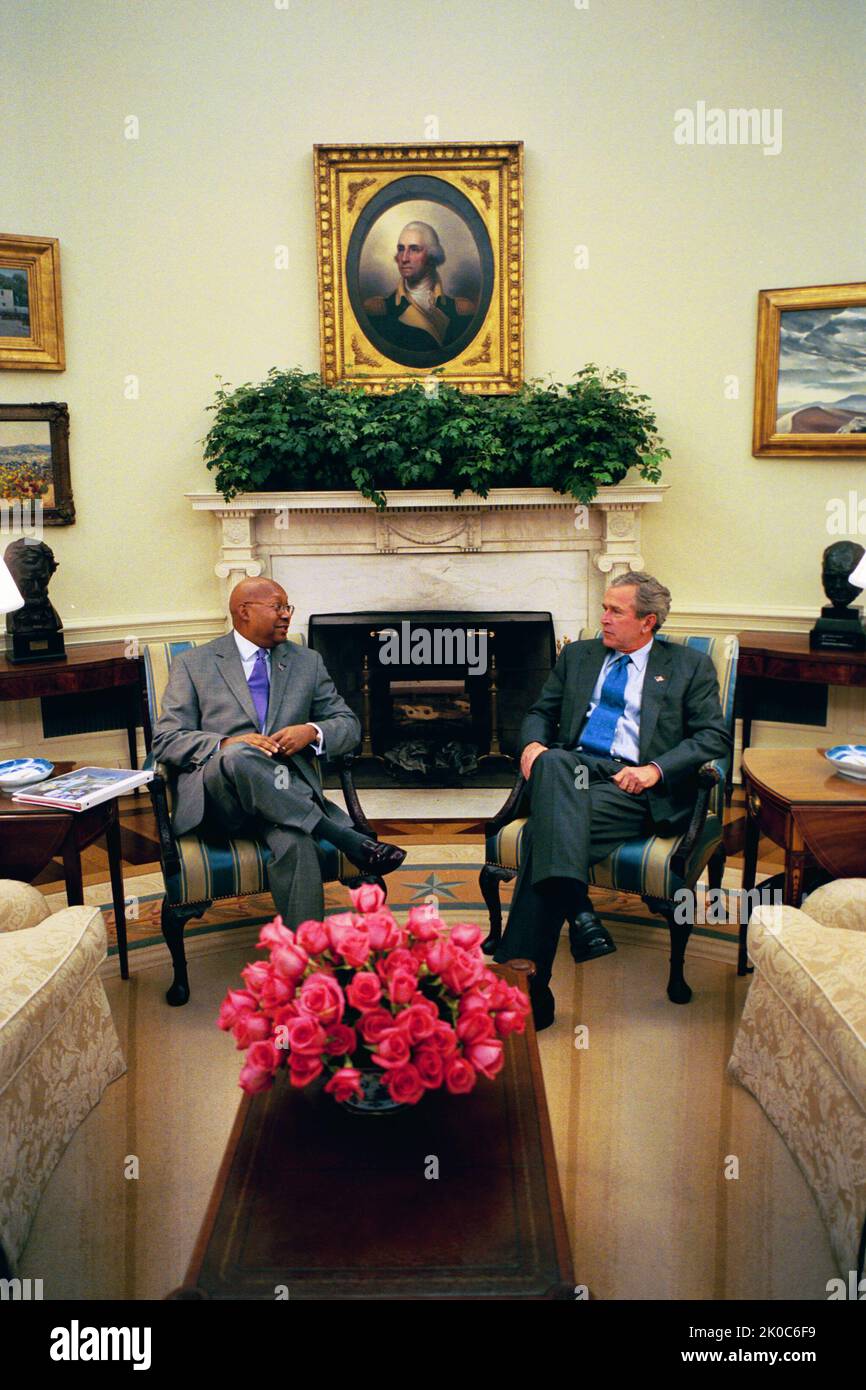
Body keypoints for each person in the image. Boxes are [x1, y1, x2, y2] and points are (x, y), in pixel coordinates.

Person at [493, 572, 731, 1029]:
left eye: (615, 611)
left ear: (648, 622)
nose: (602, 618)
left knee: (548, 831)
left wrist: (654, 770)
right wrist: (531, 747)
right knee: (558, 763)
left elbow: (712, 735)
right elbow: (541, 712)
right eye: (603, 608)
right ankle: (572, 913)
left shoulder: (688, 667)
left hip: (631, 785)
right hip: (574, 773)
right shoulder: (579, 656)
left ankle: (520, 989)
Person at [151, 577, 405, 928]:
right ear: (244, 611)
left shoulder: (307, 662)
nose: (286, 615)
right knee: (238, 755)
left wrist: (311, 732)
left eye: (288, 607)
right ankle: (343, 836)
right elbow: (166, 739)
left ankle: (306, 957)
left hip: (285, 800)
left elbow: (348, 725)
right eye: (278, 607)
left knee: (296, 844)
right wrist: (225, 744)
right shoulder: (194, 665)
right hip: (221, 800)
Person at [363, 220, 477, 353]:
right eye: (401, 249)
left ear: (431, 256)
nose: (404, 258)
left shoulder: (461, 311)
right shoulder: (378, 312)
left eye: (414, 249)